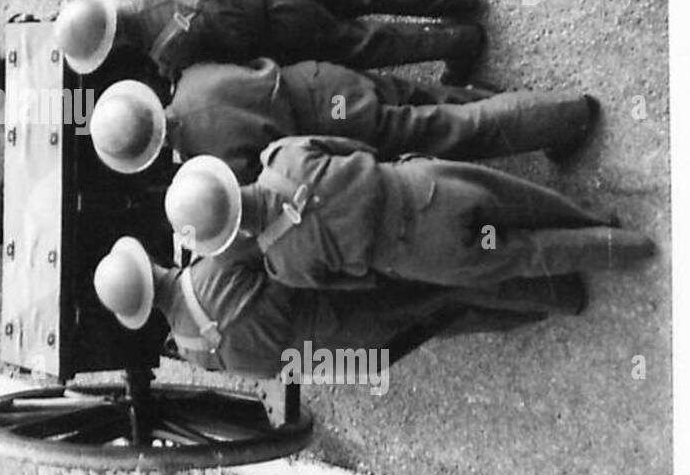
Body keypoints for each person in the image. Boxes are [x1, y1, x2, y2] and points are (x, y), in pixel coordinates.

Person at [163, 140, 656, 289]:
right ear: (225, 177)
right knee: (525, 200)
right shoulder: (284, 156)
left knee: (527, 255)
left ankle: (627, 249)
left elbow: (353, 283)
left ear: (230, 234)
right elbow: (356, 147)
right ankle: (597, 220)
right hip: (429, 188)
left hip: (425, 253)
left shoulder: (282, 264)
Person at [93, 236, 586, 377]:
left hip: (349, 356)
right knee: (447, 285)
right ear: (151, 263)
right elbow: (279, 251)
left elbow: (272, 365)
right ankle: (559, 293)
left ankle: (537, 309)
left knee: (445, 321)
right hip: (347, 305)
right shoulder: (211, 269)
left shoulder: (194, 351)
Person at [86, 63, 597, 180]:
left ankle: (566, 117)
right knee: (427, 97)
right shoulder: (193, 75)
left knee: (455, 131)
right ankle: (539, 108)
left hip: (343, 126)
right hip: (324, 80)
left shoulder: (204, 159)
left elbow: (266, 174)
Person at [53, 0, 484, 83]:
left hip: (286, 33)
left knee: (376, 43)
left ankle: (461, 42)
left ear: (115, 46)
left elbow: (232, 74)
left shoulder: (167, 55)